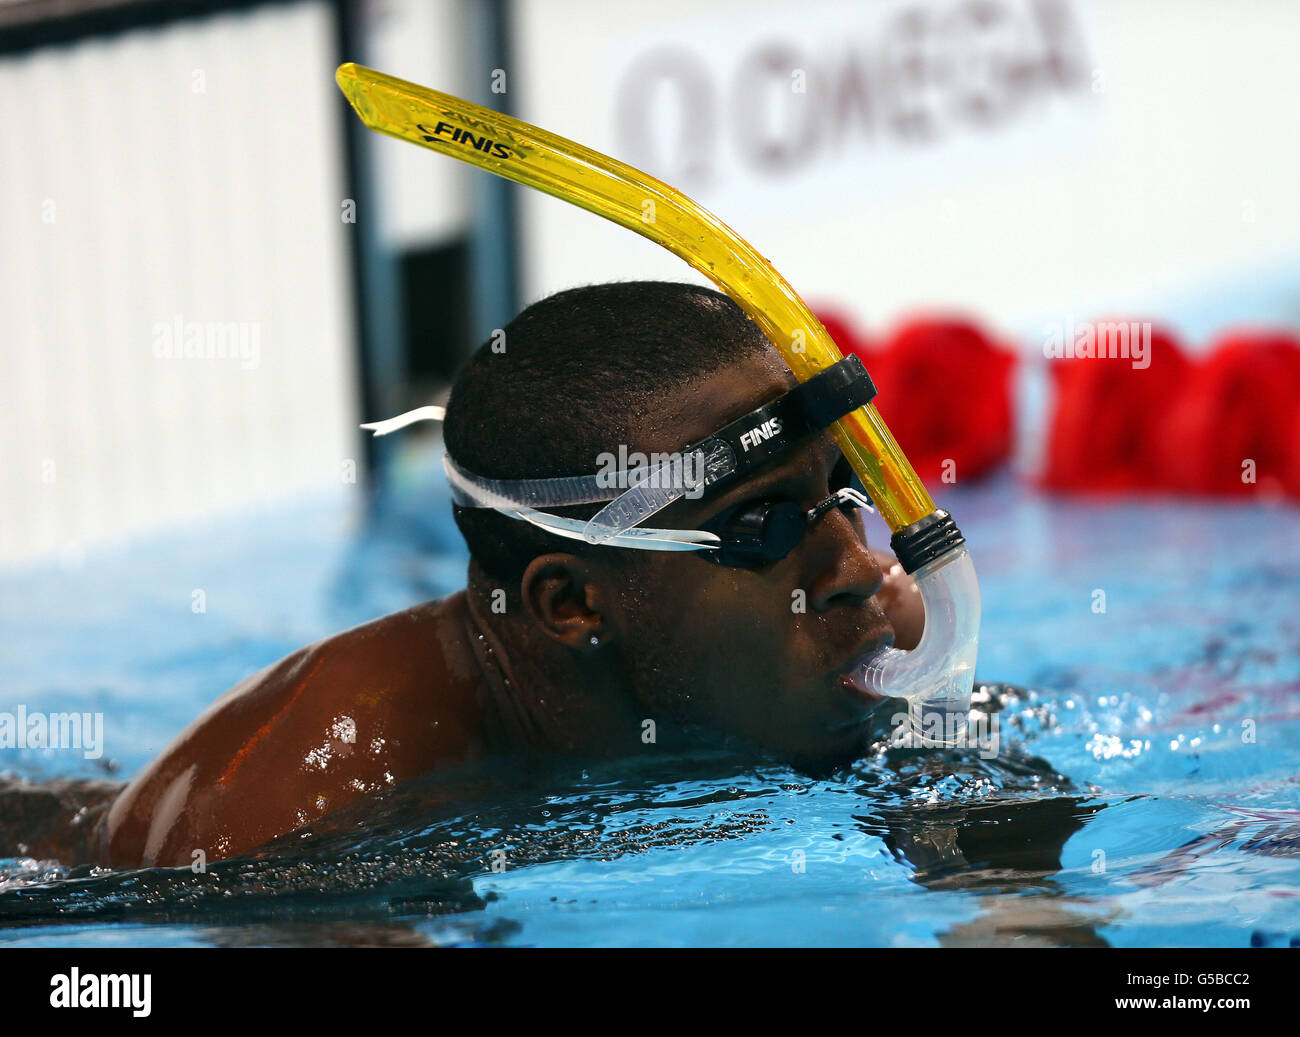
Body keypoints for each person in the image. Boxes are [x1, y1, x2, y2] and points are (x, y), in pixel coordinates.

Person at [10, 282, 926, 870]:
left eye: (842, 494)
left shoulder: (760, 674)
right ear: (569, 604)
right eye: (758, 528)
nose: (860, 564)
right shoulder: (310, 828)